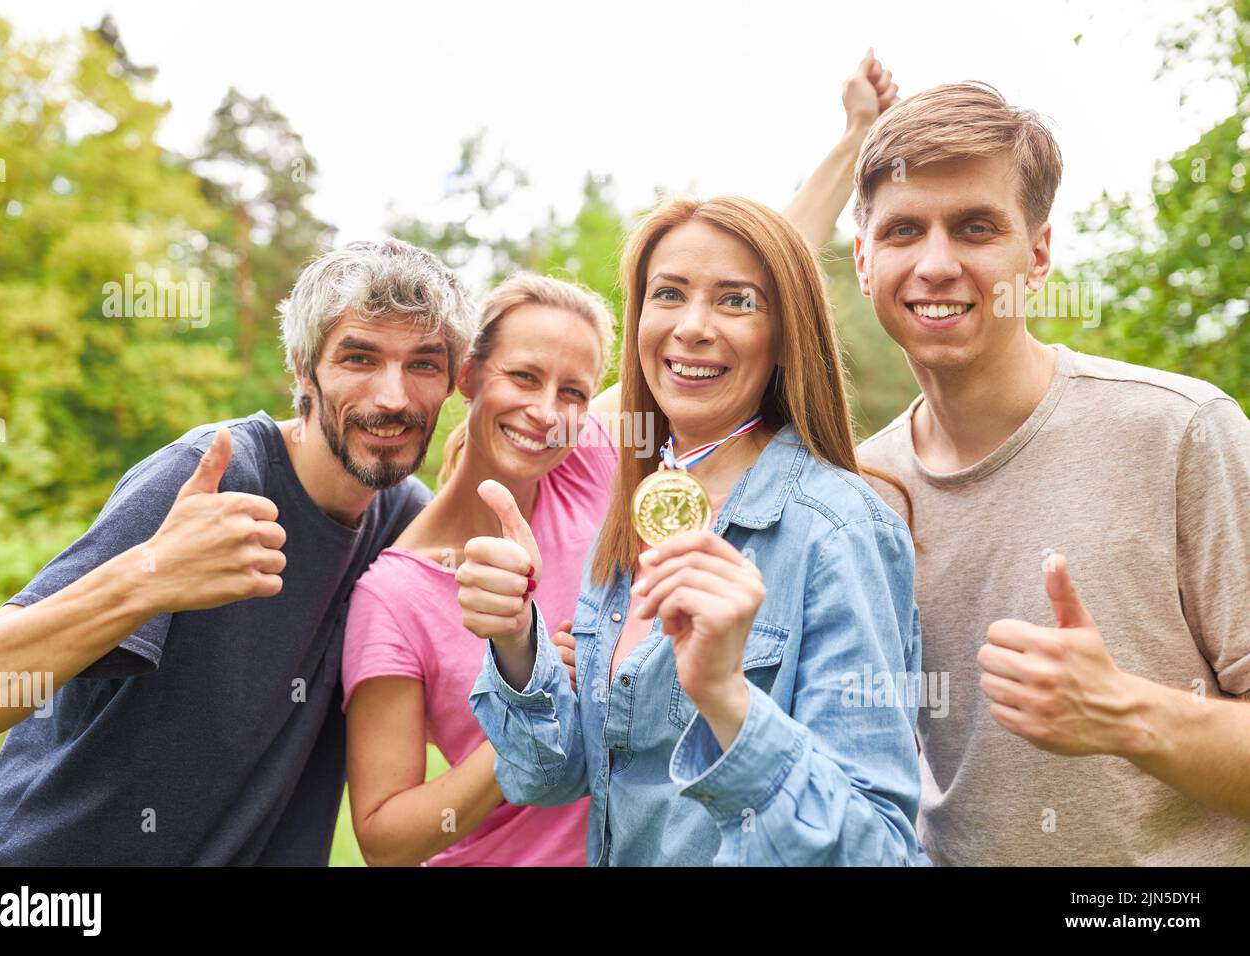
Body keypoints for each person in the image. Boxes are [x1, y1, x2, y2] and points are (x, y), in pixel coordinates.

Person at [0, 239, 473, 865]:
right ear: (304, 369)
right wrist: (150, 578)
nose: (392, 397)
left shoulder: (404, 524)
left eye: (423, 364)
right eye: (358, 357)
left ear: (451, 383)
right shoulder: (216, 475)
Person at [843, 83, 1250, 865]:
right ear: (865, 262)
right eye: (902, 230)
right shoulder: (861, 490)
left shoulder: (1181, 431)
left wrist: (1127, 713)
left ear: (1037, 254)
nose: (935, 263)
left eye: (975, 227)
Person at [457, 195, 930, 866]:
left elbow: (877, 849)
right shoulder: (633, 518)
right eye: (668, 294)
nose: (693, 328)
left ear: (786, 335)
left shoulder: (839, 533)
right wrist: (515, 640)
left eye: (736, 301)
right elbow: (552, 778)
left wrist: (728, 701)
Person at [341, 274, 616, 866]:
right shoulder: (393, 595)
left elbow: (712, 331)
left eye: (574, 391)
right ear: (467, 374)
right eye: (523, 376)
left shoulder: (587, 465)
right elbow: (384, 839)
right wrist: (532, 698)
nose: (546, 411)